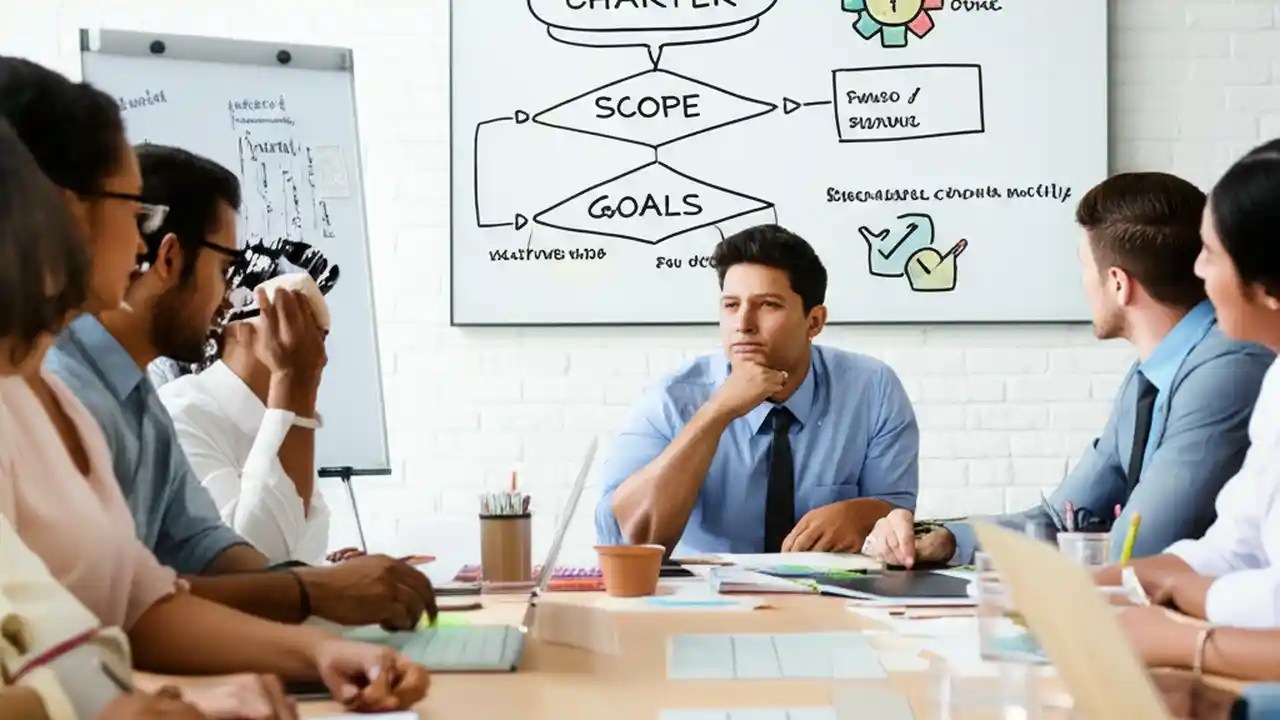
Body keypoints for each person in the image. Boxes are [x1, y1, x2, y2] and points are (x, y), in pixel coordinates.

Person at [0, 55, 429, 712]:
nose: (145, 244)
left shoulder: (67, 400)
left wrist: (321, 649)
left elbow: (128, 610)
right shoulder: (56, 392)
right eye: (133, 211)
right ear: (59, 215)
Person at [42, 141, 434, 629]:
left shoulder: (139, 401)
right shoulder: (60, 392)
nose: (227, 298)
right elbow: (113, 606)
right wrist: (312, 592)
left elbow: (212, 552)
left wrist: (323, 613)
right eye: (225, 269)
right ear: (168, 258)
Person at [863, 172, 1273, 568]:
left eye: (1083, 266)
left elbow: (1140, 549)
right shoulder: (1147, 379)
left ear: (1117, 283)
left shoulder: (1228, 369)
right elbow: (1064, 519)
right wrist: (946, 539)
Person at [595, 224, 919, 555]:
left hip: (827, 596)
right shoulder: (672, 398)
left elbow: (898, 514)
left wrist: (859, 514)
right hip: (701, 599)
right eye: (731, 305)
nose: (743, 324)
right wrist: (715, 413)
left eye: (767, 305)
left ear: (814, 322)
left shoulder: (872, 389)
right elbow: (623, 540)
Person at [1105, 141, 1280, 670]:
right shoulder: (1276, 381)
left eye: (1211, 253)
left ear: (1270, 286)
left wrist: (1183, 626)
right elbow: (1234, 545)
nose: (1198, 273)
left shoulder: (1228, 371)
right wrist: (1072, 592)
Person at [158, 272, 333, 565]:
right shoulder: (179, 413)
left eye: (320, 333)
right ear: (237, 327)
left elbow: (302, 558)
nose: (311, 345)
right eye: (289, 319)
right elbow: (247, 562)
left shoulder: (279, 421)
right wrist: (293, 382)